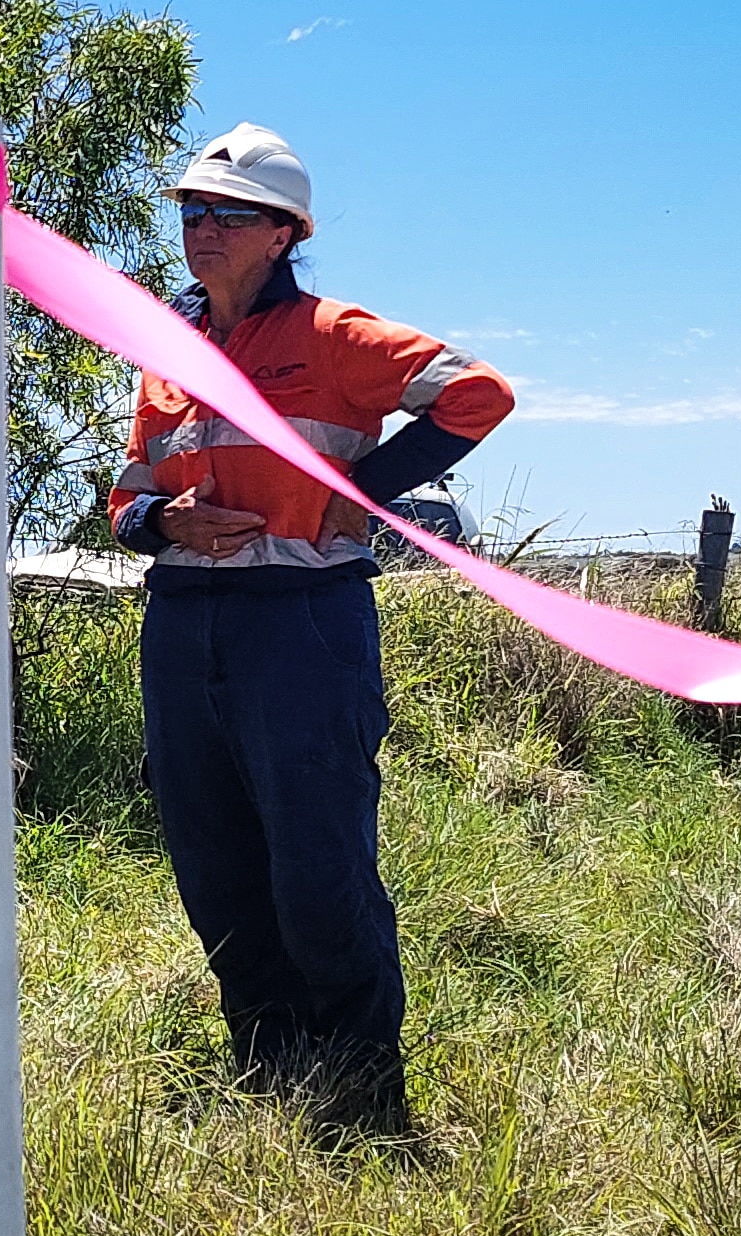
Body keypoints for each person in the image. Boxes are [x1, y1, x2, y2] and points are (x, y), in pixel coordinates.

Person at [107, 122, 513, 1140]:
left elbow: (478, 394)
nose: (200, 229)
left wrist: (362, 492)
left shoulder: (333, 338)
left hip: (301, 629)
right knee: (211, 859)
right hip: (183, 625)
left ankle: (362, 1090)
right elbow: (123, 494)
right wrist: (163, 521)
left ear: (283, 233)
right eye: (190, 212)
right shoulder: (168, 348)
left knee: (316, 863)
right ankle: (270, 1060)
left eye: (225, 216)